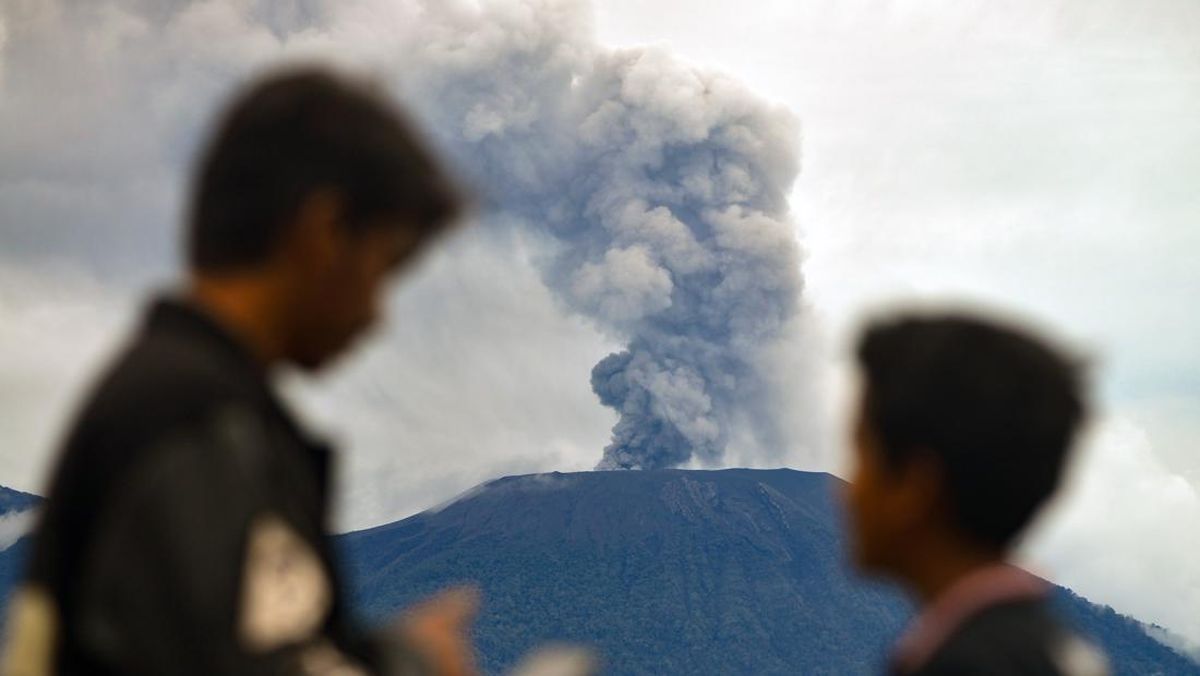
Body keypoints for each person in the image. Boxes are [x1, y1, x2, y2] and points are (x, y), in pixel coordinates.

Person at [3, 67, 475, 675]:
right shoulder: (192, 423)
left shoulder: (173, 402)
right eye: (382, 267)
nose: (375, 315)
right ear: (324, 231)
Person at [843, 312, 1110, 676]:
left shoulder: (963, 665)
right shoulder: (1058, 651)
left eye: (860, 456)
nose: (846, 490)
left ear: (914, 487)